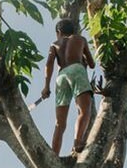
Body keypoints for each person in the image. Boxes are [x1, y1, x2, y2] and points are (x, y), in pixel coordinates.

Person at [40, 18, 96, 155]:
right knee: (84, 111)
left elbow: (49, 64)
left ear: (58, 32)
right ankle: (78, 142)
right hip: (77, 70)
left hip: (61, 76)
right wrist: (82, 58)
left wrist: (46, 86)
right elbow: (92, 64)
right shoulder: (80, 39)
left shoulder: (54, 44)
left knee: (60, 123)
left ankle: (54, 154)